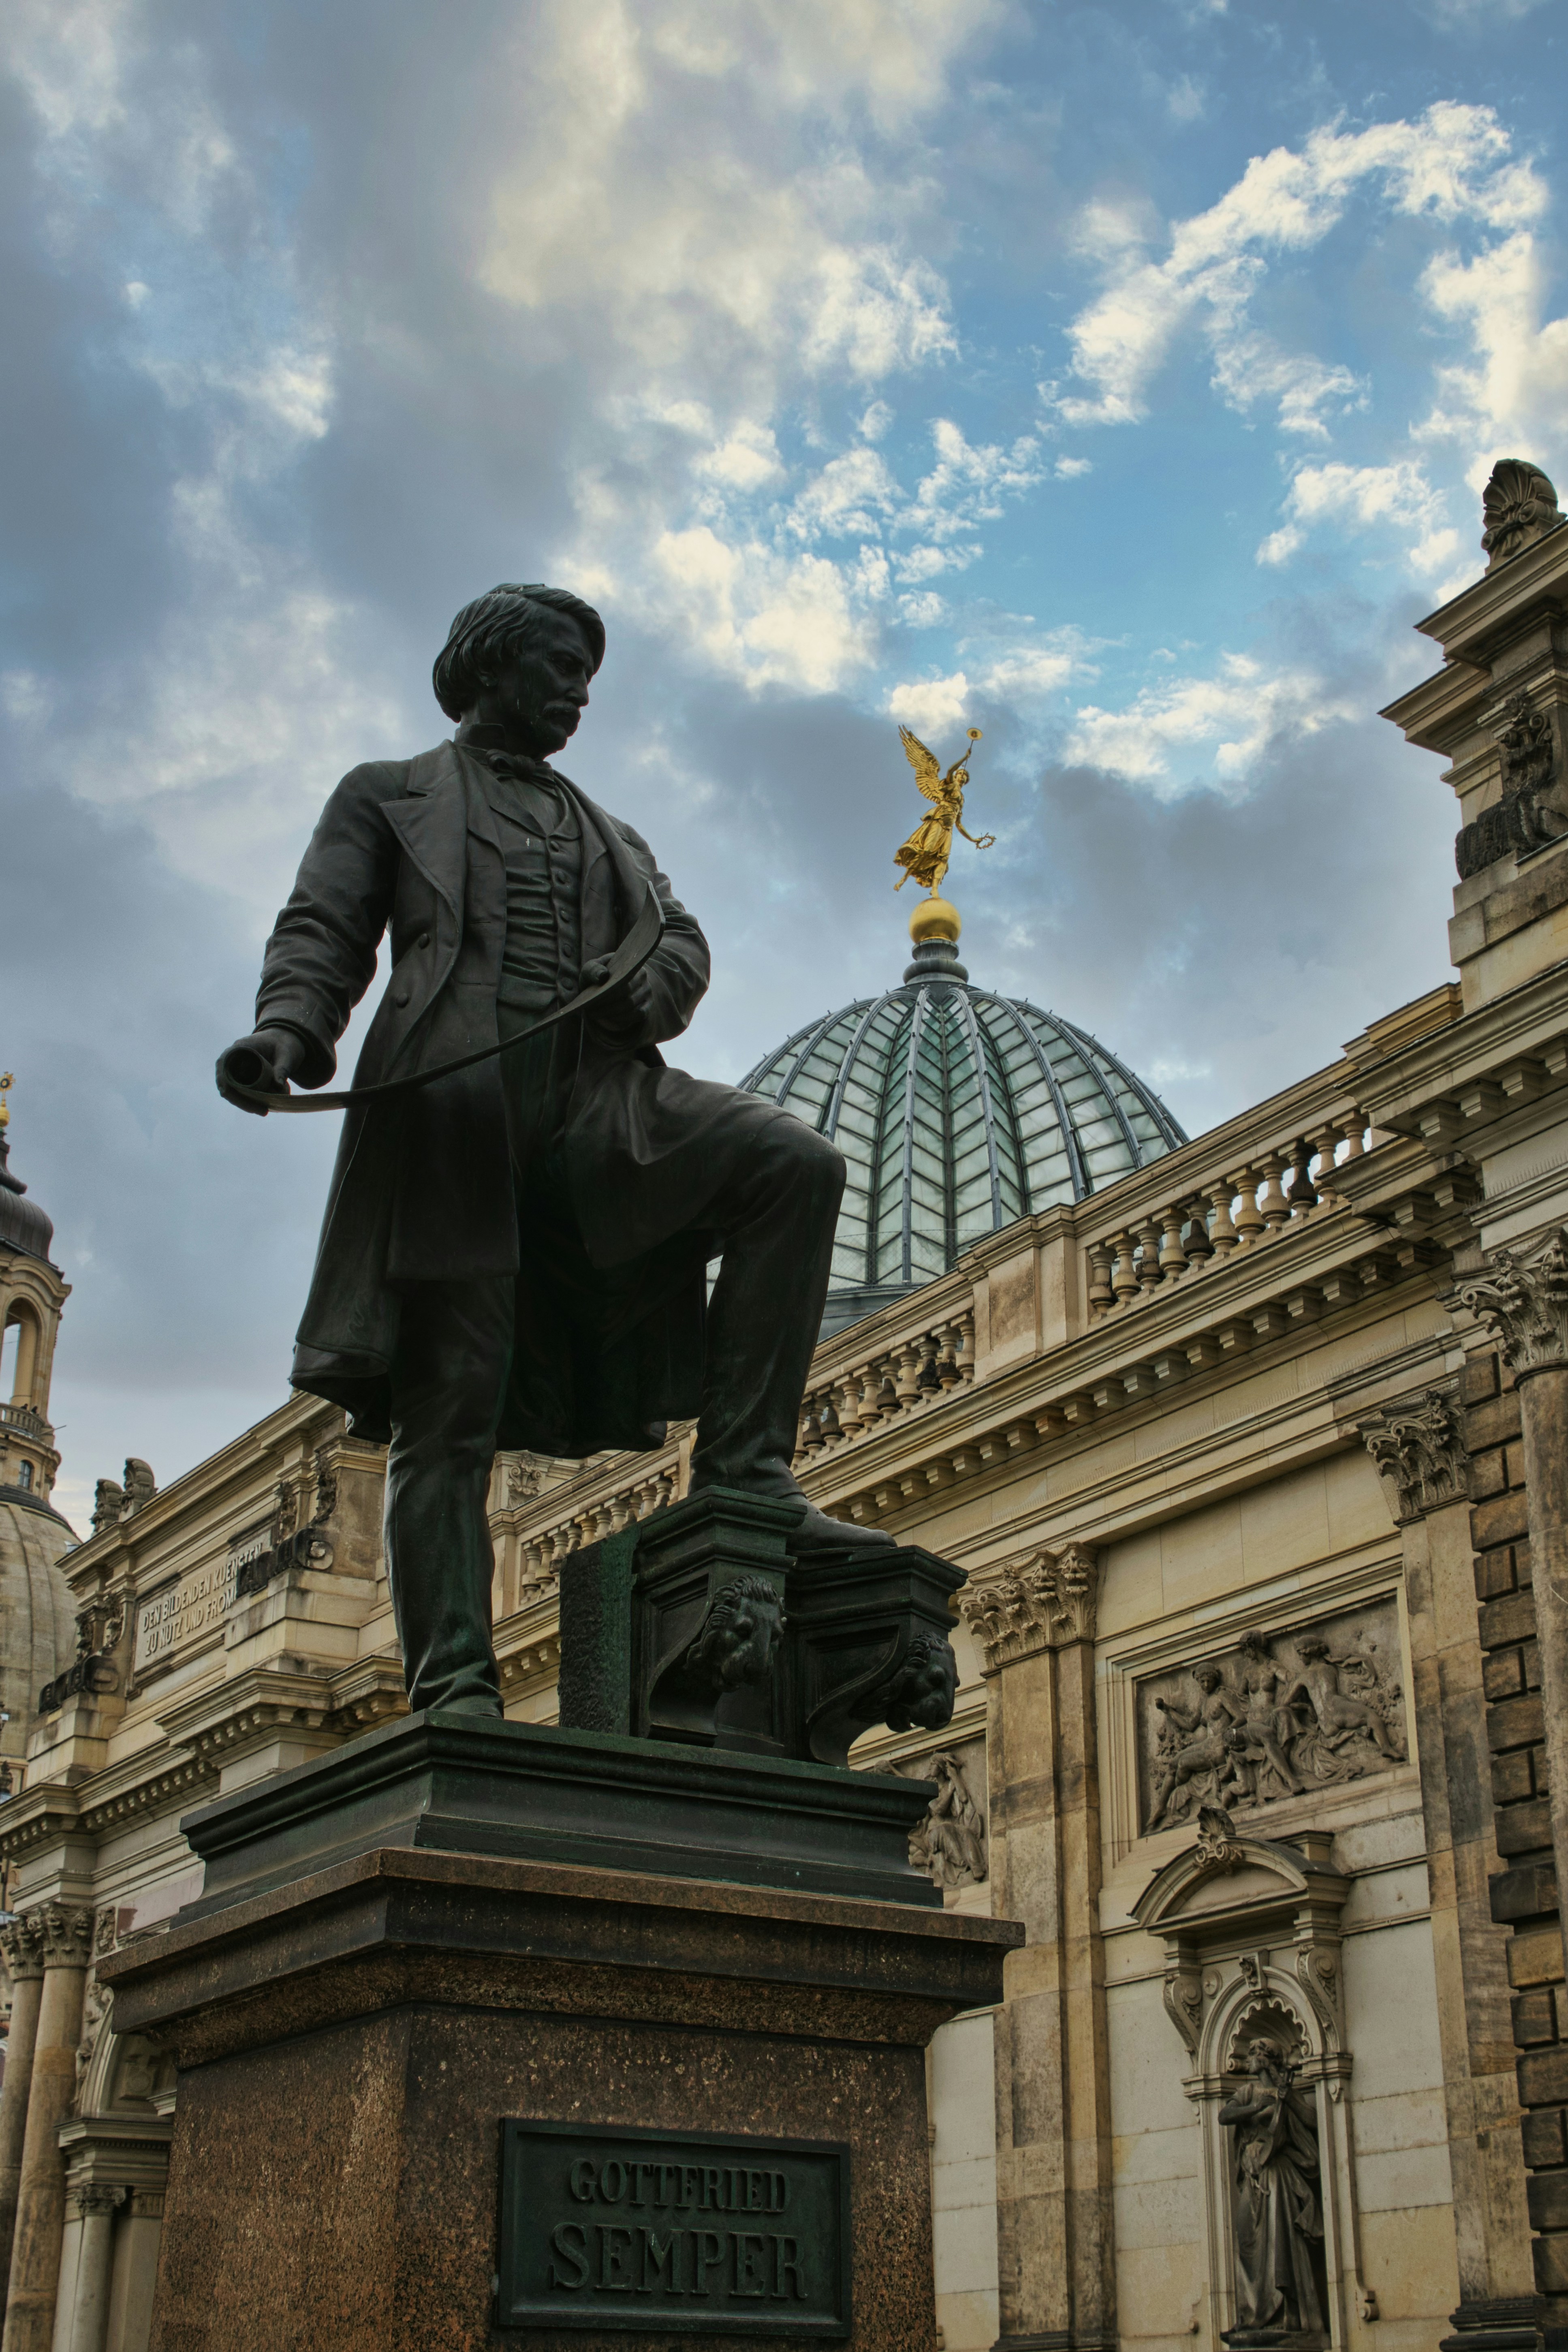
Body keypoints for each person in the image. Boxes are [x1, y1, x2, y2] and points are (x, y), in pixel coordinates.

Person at [217, 582, 891, 1720]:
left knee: (795, 1165)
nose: (581, 693)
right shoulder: (388, 793)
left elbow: (679, 942)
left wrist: (645, 990)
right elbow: (324, 927)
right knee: (451, 1403)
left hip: (595, 1096)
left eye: (589, 675)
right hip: (454, 1109)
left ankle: (746, 1475)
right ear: (491, 665)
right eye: (562, 667)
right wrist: (286, 1033)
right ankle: (453, 1685)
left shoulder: (612, 834)